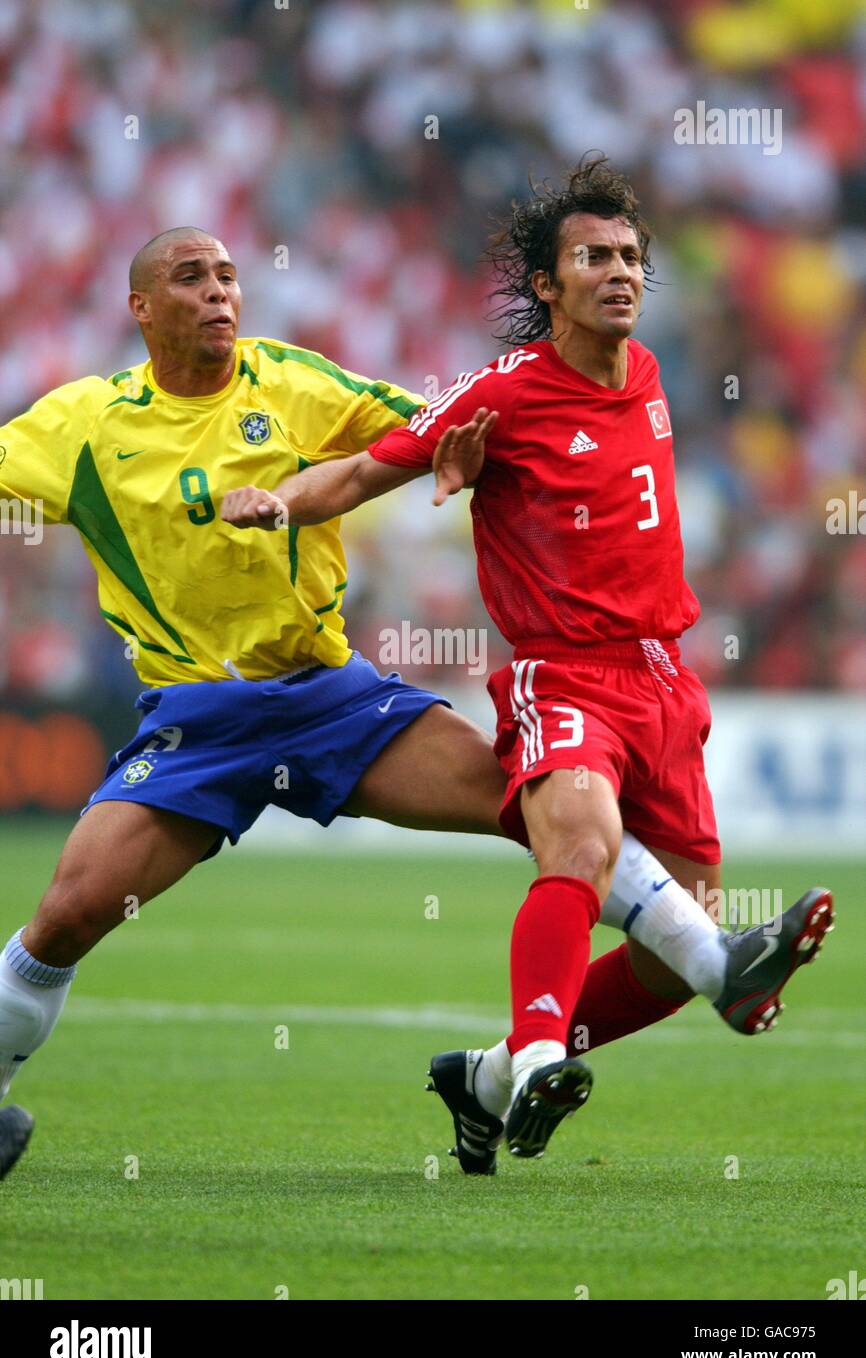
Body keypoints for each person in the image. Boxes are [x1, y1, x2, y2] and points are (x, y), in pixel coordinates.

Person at [0, 224, 737, 1184]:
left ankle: (714, 958)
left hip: (332, 698)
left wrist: (471, 454)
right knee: (65, 917)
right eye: (191, 278)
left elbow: (428, 428)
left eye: (229, 274)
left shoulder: (292, 382)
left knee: (539, 803)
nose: (221, 291)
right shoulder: (84, 425)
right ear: (141, 308)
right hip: (200, 721)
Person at [231, 160, 834, 1172]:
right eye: (591, 257)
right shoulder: (502, 394)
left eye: (630, 256)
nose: (618, 272)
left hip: (664, 686)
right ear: (547, 286)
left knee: (668, 950)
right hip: (562, 674)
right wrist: (276, 503)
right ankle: (550, 1053)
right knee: (583, 844)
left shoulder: (644, 374)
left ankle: (489, 1074)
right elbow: (368, 465)